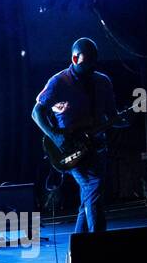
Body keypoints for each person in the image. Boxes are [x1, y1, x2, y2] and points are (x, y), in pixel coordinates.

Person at [31, 38, 122, 234]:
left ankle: (78, 248)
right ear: (74, 58)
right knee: (93, 186)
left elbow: (113, 116)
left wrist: (127, 118)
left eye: (94, 62)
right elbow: (36, 113)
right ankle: (98, 245)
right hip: (72, 149)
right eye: (86, 62)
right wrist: (55, 137)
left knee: (89, 198)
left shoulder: (102, 82)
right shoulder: (59, 82)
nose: (91, 67)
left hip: (97, 147)